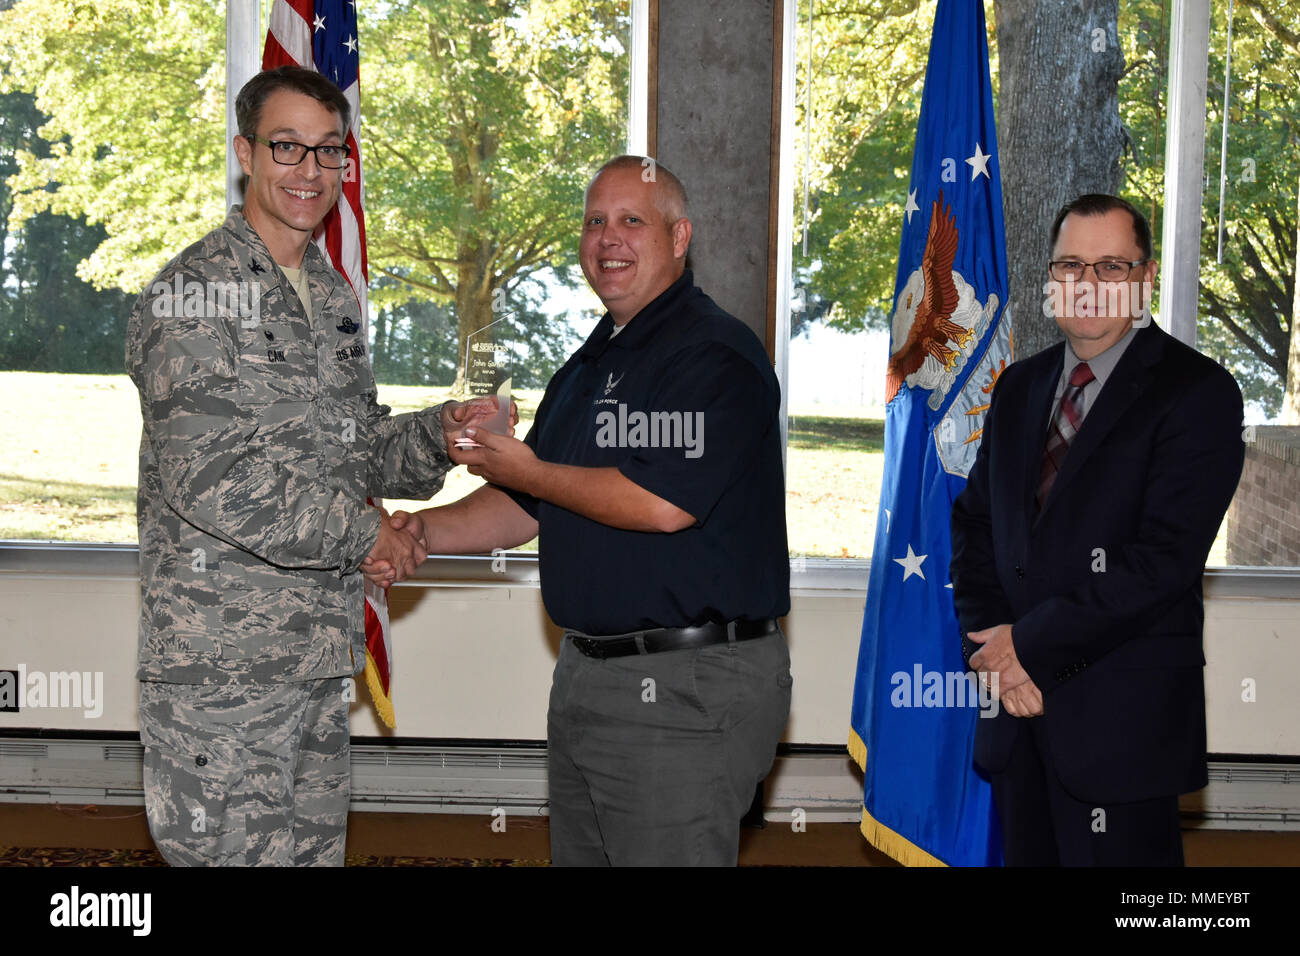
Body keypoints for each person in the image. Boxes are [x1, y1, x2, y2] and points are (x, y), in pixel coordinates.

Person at [369, 155, 793, 866]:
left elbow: (662, 504)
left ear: (680, 237)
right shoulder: (591, 363)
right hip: (590, 678)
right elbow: (527, 502)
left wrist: (529, 468)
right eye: (595, 221)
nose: (608, 238)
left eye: (633, 220)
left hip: (686, 687)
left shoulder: (714, 355)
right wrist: (419, 533)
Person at [127, 66, 493, 866]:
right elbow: (211, 477)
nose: (310, 172)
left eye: (329, 152)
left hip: (315, 658)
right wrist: (367, 534)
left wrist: (443, 431)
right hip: (221, 673)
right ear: (245, 153)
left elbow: (353, 446)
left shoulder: (329, 296)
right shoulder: (191, 295)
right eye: (287, 147)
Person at [950, 194, 1245, 866]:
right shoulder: (1019, 388)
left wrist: (1030, 646)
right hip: (1016, 716)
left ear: (1144, 280)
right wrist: (995, 652)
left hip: (1121, 728)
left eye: (1110, 266)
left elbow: (1161, 563)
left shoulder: (1197, 393)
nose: (1086, 285)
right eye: (1070, 266)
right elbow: (975, 527)